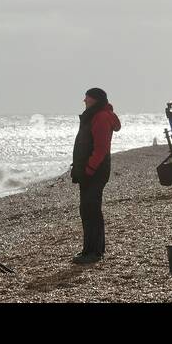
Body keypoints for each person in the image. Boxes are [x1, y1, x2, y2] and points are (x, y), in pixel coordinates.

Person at [70, 87, 121, 264]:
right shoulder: (93, 115)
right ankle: (89, 249)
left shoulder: (100, 117)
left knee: (91, 208)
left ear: (95, 100)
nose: (84, 101)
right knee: (86, 209)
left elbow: (101, 148)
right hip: (89, 170)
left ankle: (95, 252)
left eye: (87, 99)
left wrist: (89, 169)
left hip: (96, 171)